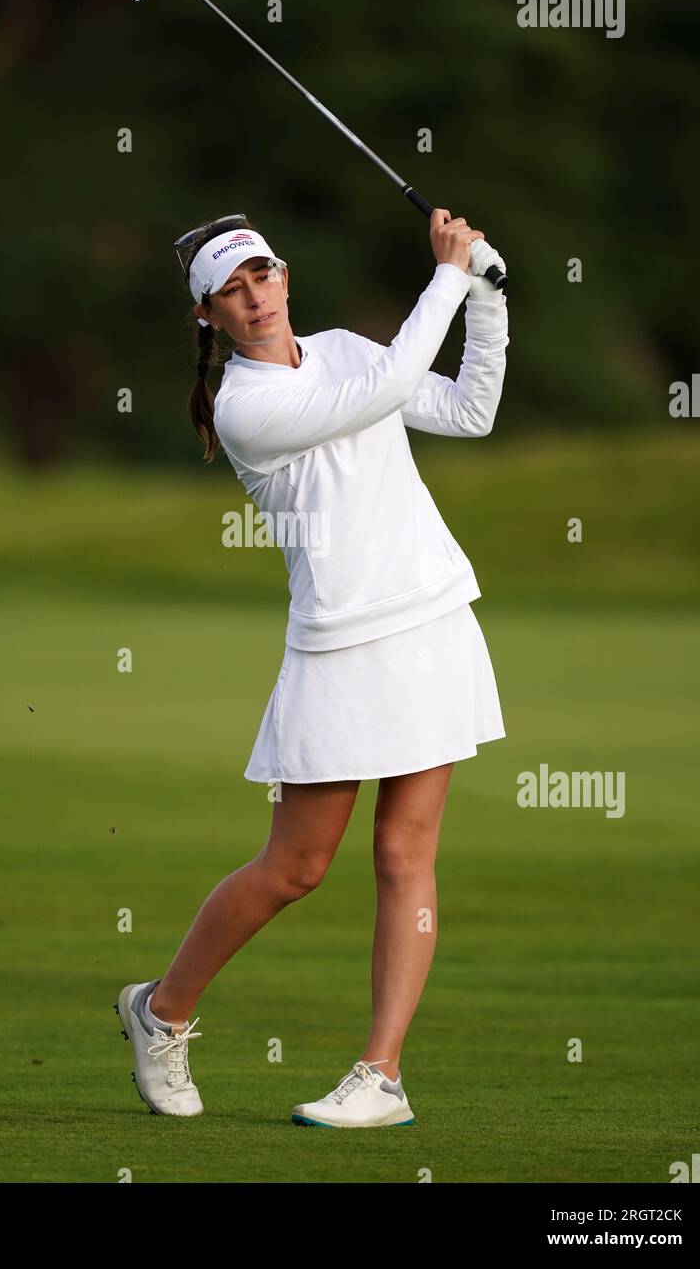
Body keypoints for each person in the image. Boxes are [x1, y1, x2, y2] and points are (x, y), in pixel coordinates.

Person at [115, 209, 509, 1127]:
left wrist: (485, 297)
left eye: (262, 277)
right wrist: (449, 276)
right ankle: (160, 1011)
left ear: (284, 276)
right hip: (339, 644)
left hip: (431, 622)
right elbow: (385, 391)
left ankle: (382, 1076)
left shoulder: (339, 347)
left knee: (407, 854)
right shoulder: (244, 407)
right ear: (208, 314)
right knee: (296, 867)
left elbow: (467, 410)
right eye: (231, 291)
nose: (253, 299)